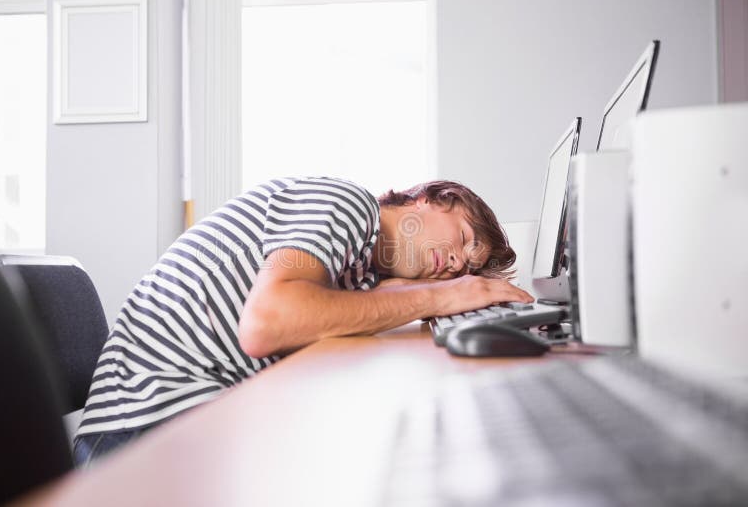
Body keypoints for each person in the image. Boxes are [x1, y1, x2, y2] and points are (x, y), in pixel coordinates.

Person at [73, 176, 533, 465]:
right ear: (432, 199)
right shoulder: (347, 203)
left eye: (468, 267)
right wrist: (443, 295)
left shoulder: (359, 272)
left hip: (175, 420)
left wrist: (416, 296)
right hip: (141, 431)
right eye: (464, 238)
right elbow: (268, 322)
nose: (457, 263)